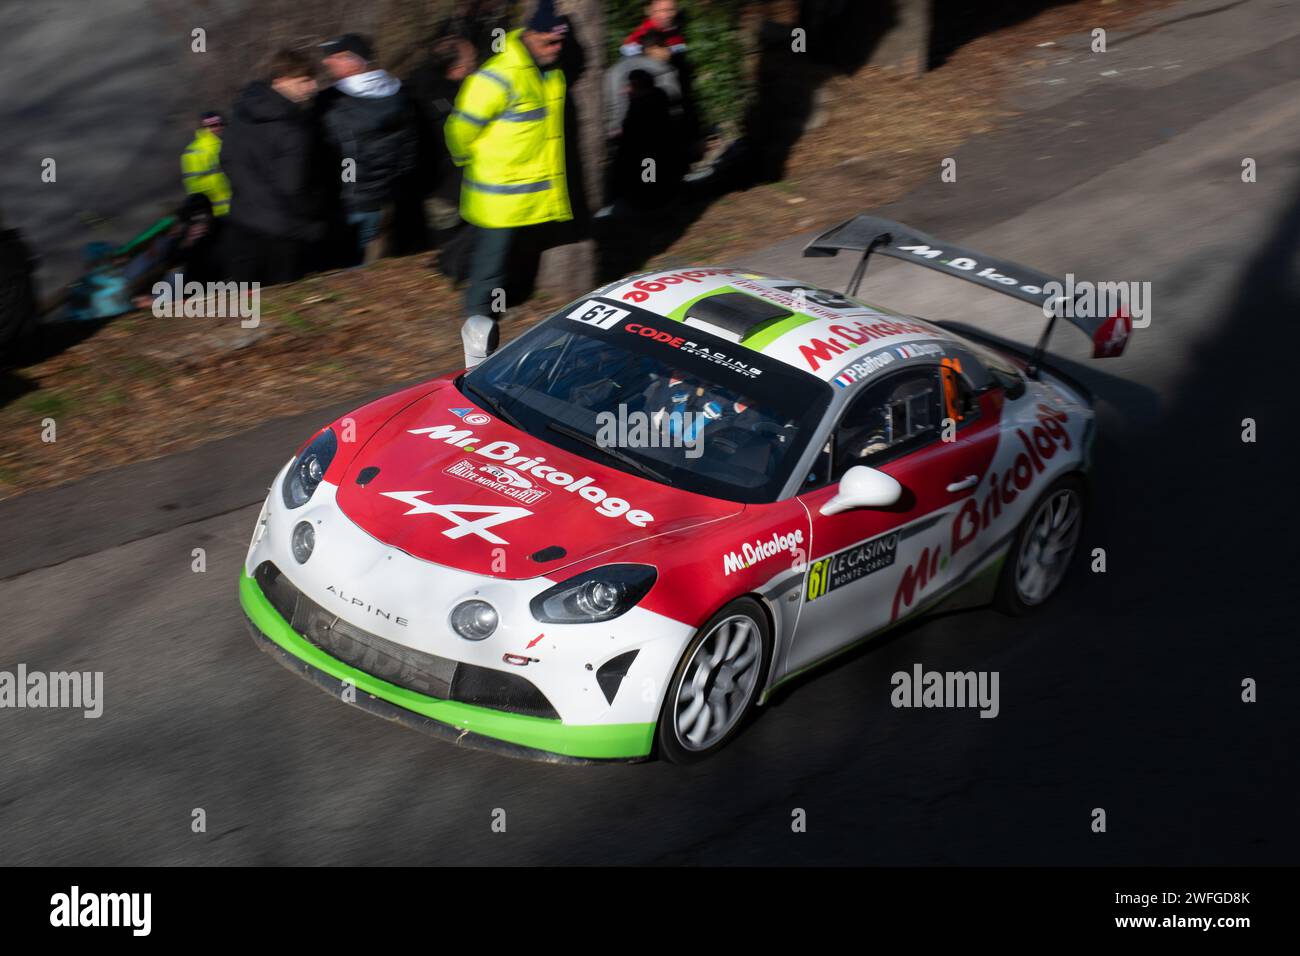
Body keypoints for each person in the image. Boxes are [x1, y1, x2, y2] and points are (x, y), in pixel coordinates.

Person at [445, 0, 572, 368]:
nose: (556, 49)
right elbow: (459, 129)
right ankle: (475, 349)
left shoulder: (547, 74)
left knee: (507, 267)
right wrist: (472, 162)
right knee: (489, 273)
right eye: (549, 42)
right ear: (530, 36)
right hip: (499, 197)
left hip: (527, 198)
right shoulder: (500, 75)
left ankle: (491, 319)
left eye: (559, 42)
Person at [221, 49, 321, 285]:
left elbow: (227, 159)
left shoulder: (240, 113)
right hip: (282, 235)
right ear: (281, 80)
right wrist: (313, 225)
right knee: (284, 303)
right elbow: (292, 187)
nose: (313, 87)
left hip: (241, 225)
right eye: (304, 80)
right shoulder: (292, 130)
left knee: (247, 310)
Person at [317, 34, 417, 266]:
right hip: (388, 197)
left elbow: (329, 154)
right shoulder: (399, 92)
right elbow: (408, 149)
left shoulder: (332, 101)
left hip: (349, 201)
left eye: (335, 57)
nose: (326, 62)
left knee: (346, 269)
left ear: (354, 62)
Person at [407, 30, 477, 271]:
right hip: (444, 184)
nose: (472, 67)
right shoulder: (443, 98)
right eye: (469, 62)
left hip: (440, 183)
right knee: (447, 238)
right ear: (453, 67)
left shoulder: (415, 86)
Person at [180, 111, 231, 217]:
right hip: (216, 213)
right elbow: (194, 186)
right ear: (204, 127)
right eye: (213, 125)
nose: (218, 128)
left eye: (220, 124)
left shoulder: (224, 144)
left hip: (233, 208)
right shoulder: (194, 150)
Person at [620, 0, 687, 57]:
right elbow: (625, 49)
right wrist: (647, 51)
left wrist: (670, 51)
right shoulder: (644, 31)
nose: (667, 15)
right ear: (651, 11)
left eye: (671, 10)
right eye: (661, 10)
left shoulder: (676, 27)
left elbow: (681, 47)